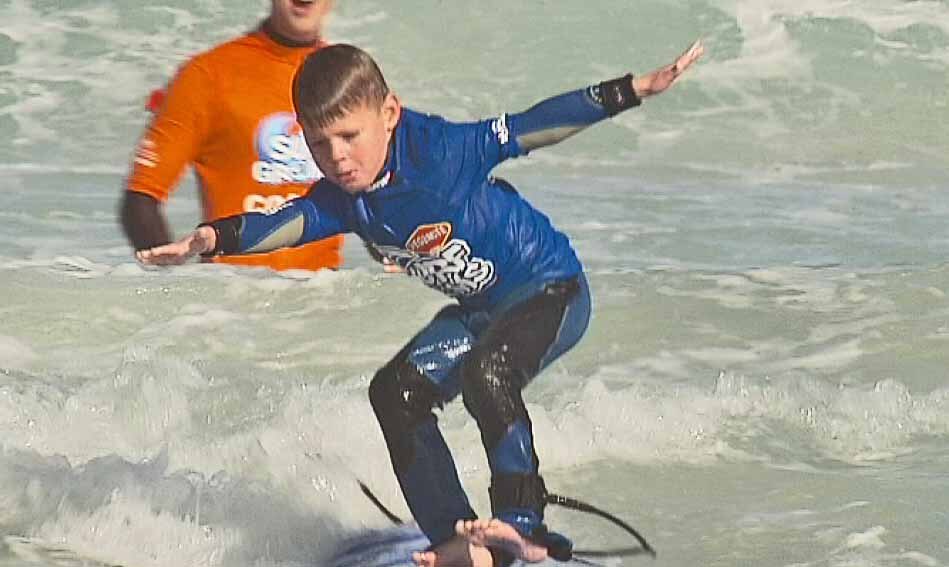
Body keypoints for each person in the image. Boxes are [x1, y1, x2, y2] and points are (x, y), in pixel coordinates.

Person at [137, 40, 704, 567]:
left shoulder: (441, 152)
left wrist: (630, 90)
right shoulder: (345, 197)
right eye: (318, 142)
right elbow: (291, 222)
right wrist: (210, 239)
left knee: (488, 373)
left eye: (349, 137)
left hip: (551, 290)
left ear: (389, 113)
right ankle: (455, 536)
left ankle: (520, 524)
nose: (336, 158)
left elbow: (531, 128)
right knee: (396, 393)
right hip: (481, 308)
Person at [120, 0, 345, 271]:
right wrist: (179, 299)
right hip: (236, 297)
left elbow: (382, 191)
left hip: (325, 297)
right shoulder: (208, 75)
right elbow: (140, 201)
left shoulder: (348, 80)